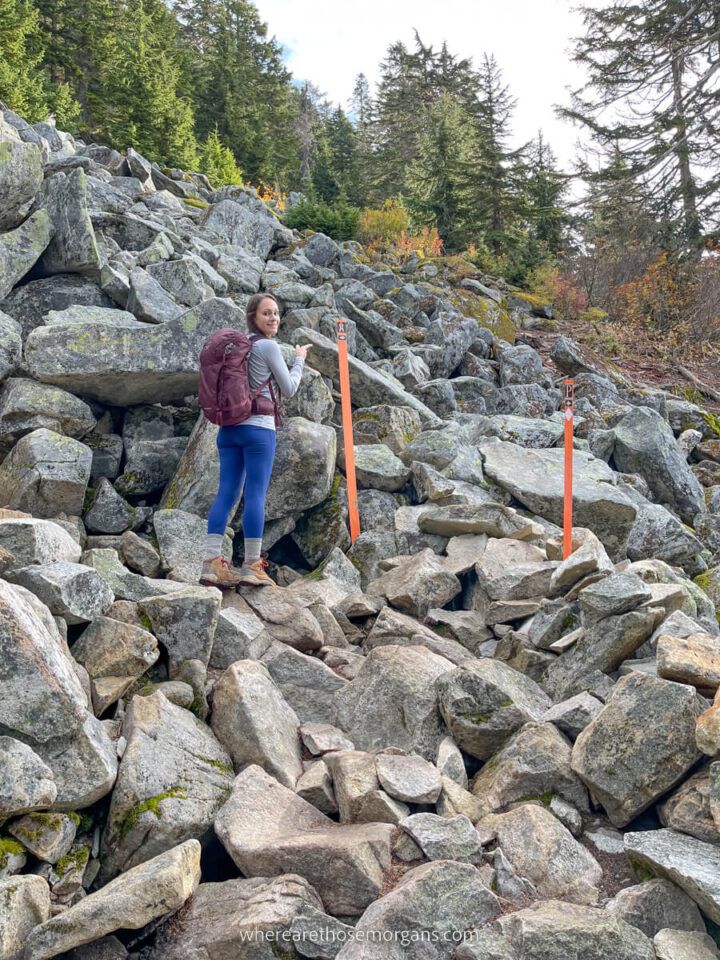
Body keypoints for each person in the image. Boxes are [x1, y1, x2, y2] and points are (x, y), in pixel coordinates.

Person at [200, 292, 311, 588]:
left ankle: (211, 563)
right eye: (267, 313)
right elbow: (288, 389)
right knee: (256, 495)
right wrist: (299, 361)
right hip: (259, 430)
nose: (273, 318)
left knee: (226, 493)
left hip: (229, 430)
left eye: (276, 313)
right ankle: (251, 565)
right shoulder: (268, 346)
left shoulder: (237, 350)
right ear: (253, 317)